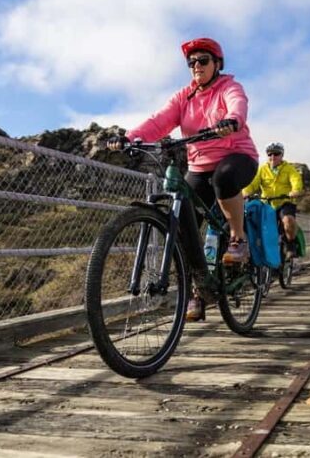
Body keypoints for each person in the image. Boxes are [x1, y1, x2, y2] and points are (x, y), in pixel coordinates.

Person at [108, 37, 258, 321]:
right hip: (199, 164)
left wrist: (232, 120)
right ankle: (198, 290)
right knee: (184, 228)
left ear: (217, 64)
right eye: (192, 62)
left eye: (203, 60)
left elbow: (237, 105)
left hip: (236, 157)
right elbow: (158, 121)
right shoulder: (183, 97)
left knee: (224, 179)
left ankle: (238, 238)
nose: (196, 66)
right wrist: (129, 137)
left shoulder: (229, 87)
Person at [242, 141, 303, 259]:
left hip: (285, 202)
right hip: (267, 203)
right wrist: (246, 192)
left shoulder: (289, 169)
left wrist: (295, 190)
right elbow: (253, 184)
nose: (273, 157)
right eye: (270, 154)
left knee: (288, 220)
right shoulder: (262, 169)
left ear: (282, 155)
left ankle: (290, 244)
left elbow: (296, 180)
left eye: (276, 154)